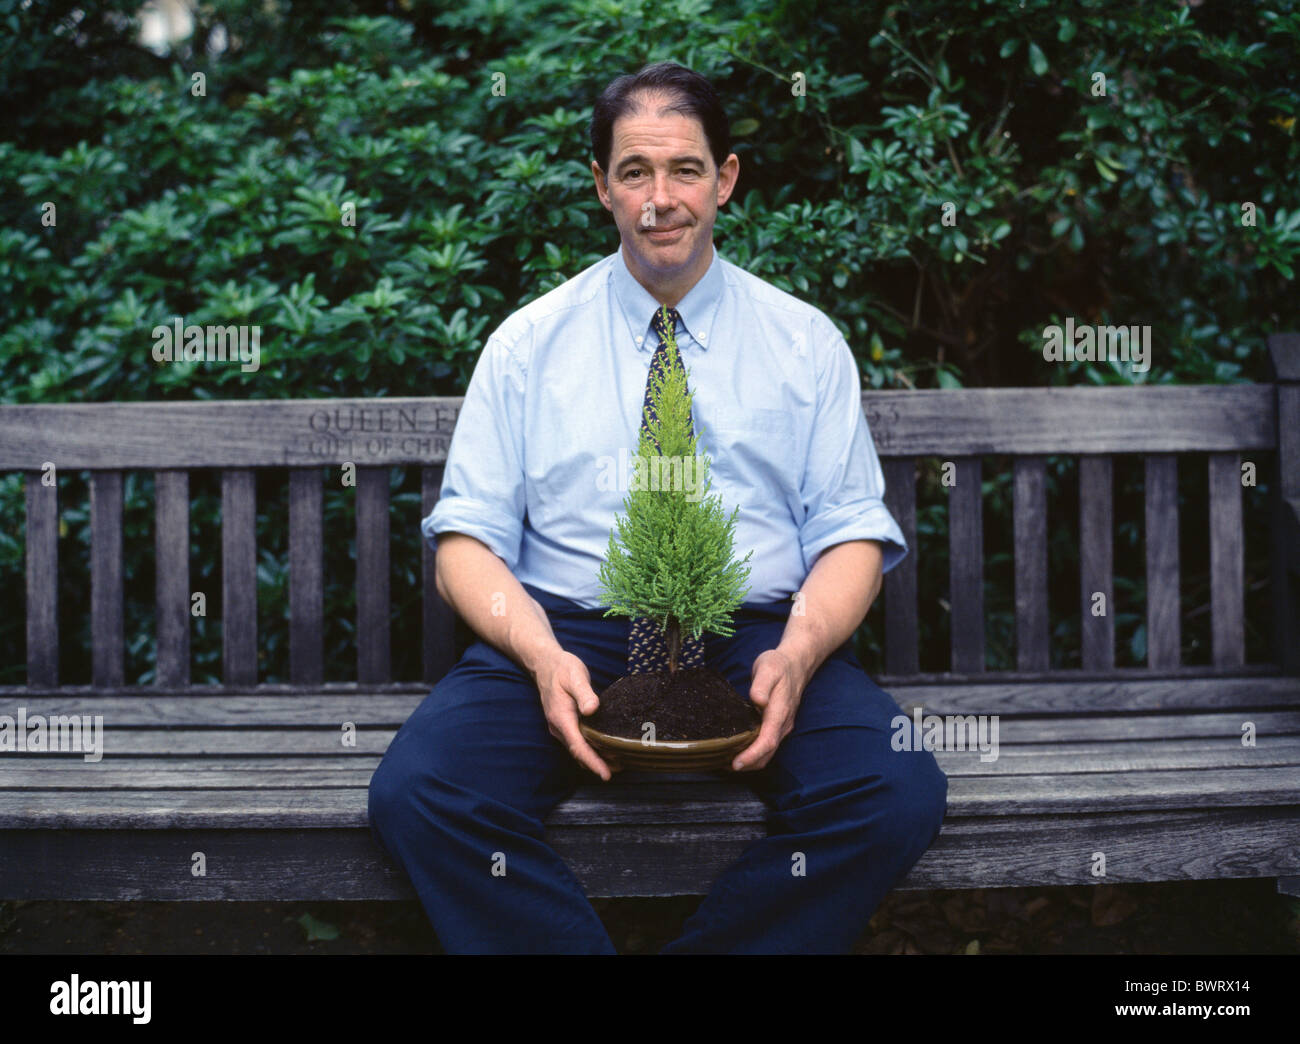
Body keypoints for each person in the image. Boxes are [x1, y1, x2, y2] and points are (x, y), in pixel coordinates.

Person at [368, 60, 948, 954]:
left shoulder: (802, 342)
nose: (660, 198)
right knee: (419, 794)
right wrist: (536, 651)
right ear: (601, 186)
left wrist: (798, 653)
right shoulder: (527, 344)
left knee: (896, 790)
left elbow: (849, 535)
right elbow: (466, 541)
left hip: (752, 636)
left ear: (726, 179)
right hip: (569, 636)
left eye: (684, 170)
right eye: (634, 172)